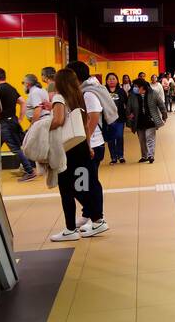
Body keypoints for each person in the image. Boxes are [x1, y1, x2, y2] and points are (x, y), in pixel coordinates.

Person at [47, 68, 108, 241]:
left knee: (66, 188)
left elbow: (58, 120)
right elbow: (85, 123)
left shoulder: (59, 98)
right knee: (83, 185)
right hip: (80, 145)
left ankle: (72, 229)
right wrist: (88, 146)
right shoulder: (78, 98)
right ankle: (96, 220)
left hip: (67, 148)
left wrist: (42, 125)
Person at [67, 61, 111, 235]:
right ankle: (90, 215)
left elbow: (93, 117)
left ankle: (97, 219)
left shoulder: (88, 94)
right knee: (86, 182)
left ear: (75, 75)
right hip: (89, 144)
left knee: (86, 183)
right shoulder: (84, 91)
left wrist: (86, 141)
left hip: (91, 145)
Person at [0, 68, 36, 180]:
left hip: (4, 123)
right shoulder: (11, 88)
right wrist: (20, 118)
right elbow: (23, 102)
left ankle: (29, 170)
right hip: (12, 121)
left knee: (15, 148)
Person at [130, 77, 165, 162]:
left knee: (150, 138)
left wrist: (164, 114)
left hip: (150, 120)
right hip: (139, 120)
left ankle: (150, 156)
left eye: (136, 86)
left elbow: (161, 104)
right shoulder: (133, 96)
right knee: (142, 140)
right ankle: (144, 156)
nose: (134, 88)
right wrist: (130, 115)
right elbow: (129, 106)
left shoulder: (153, 93)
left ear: (142, 86)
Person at [103, 72, 126, 164]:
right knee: (111, 138)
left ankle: (121, 156)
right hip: (108, 118)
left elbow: (126, 103)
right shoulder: (103, 91)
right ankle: (113, 157)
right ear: (106, 81)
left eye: (113, 79)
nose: (111, 80)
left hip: (120, 118)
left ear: (117, 80)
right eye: (109, 79)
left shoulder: (121, 91)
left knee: (119, 136)